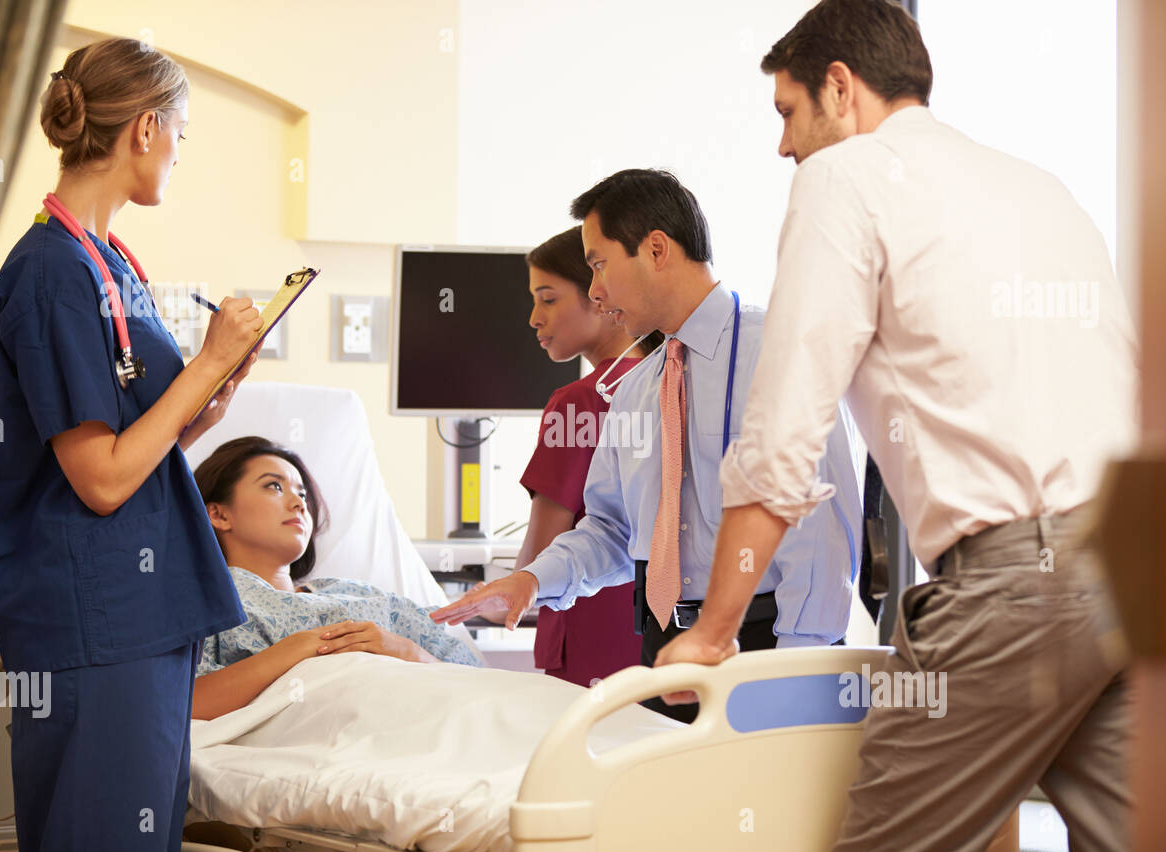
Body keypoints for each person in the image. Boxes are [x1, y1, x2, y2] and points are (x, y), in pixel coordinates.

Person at [656, 0, 1139, 852]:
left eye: (787, 112)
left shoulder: (848, 180)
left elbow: (781, 437)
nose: (783, 146)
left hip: (1014, 586)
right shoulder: (1041, 187)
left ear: (839, 88)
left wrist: (714, 630)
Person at [434, 169, 863, 723]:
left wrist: (794, 677)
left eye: (598, 264)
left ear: (656, 249)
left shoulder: (780, 352)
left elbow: (823, 535)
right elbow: (611, 529)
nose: (594, 290)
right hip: (662, 650)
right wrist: (532, 580)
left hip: (766, 649)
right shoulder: (636, 388)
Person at [0, 37, 264, 852]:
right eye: (181, 131)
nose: (180, 152)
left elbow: (147, 446)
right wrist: (205, 359)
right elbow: (101, 479)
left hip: (144, 618)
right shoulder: (49, 273)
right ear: (144, 129)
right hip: (95, 620)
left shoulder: (107, 263)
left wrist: (213, 396)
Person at [191, 437, 483, 720]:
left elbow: (476, 682)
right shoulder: (205, 600)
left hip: (439, 715)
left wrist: (407, 652)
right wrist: (293, 650)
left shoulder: (359, 594)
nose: (298, 504)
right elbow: (185, 702)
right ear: (218, 515)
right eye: (274, 486)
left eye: (303, 494)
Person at [504, 225, 658, 687]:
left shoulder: (578, 402)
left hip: (588, 644)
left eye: (548, 299)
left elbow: (540, 556)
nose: (534, 318)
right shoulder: (667, 382)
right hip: (651, 642)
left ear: (600, 294)